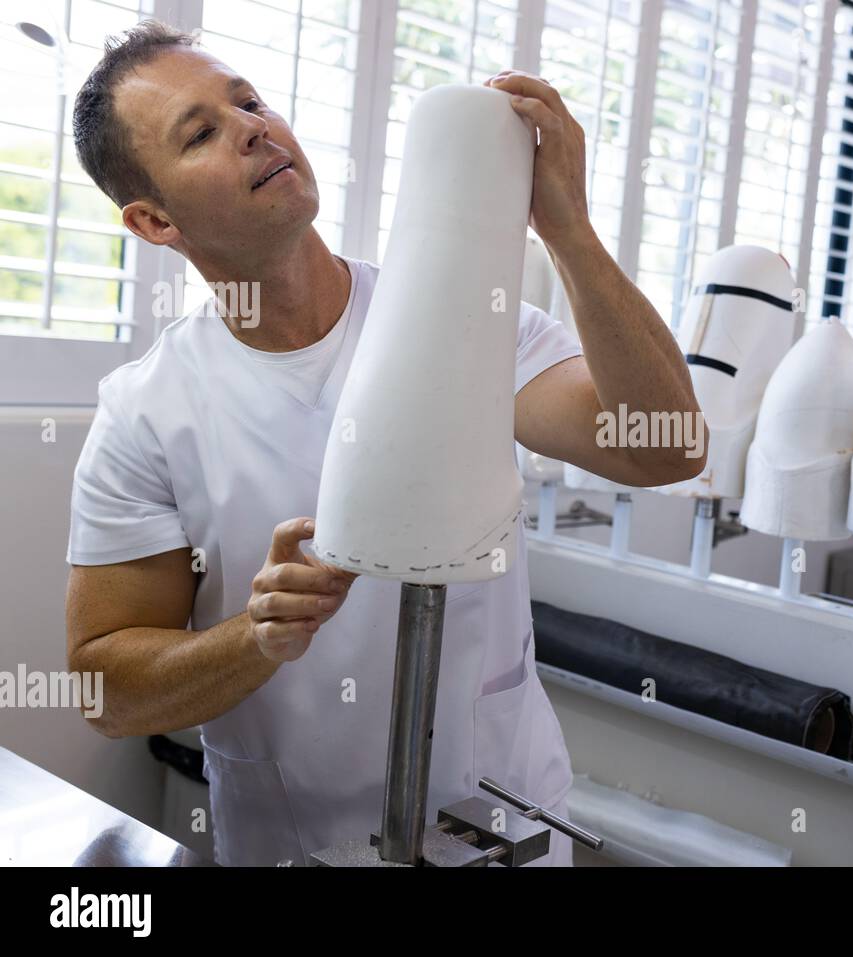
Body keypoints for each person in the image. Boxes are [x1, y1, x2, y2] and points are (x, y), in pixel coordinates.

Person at [63, 20, 706, 866]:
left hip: (499, 822)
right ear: (152, 221)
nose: (254, 126)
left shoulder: (466, 319)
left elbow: (665, 448)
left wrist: (570, 232)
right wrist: (254, 635)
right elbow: (104, 684)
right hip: (291, 837)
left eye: (248, 100)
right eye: (202, 133)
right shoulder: (147, 411)